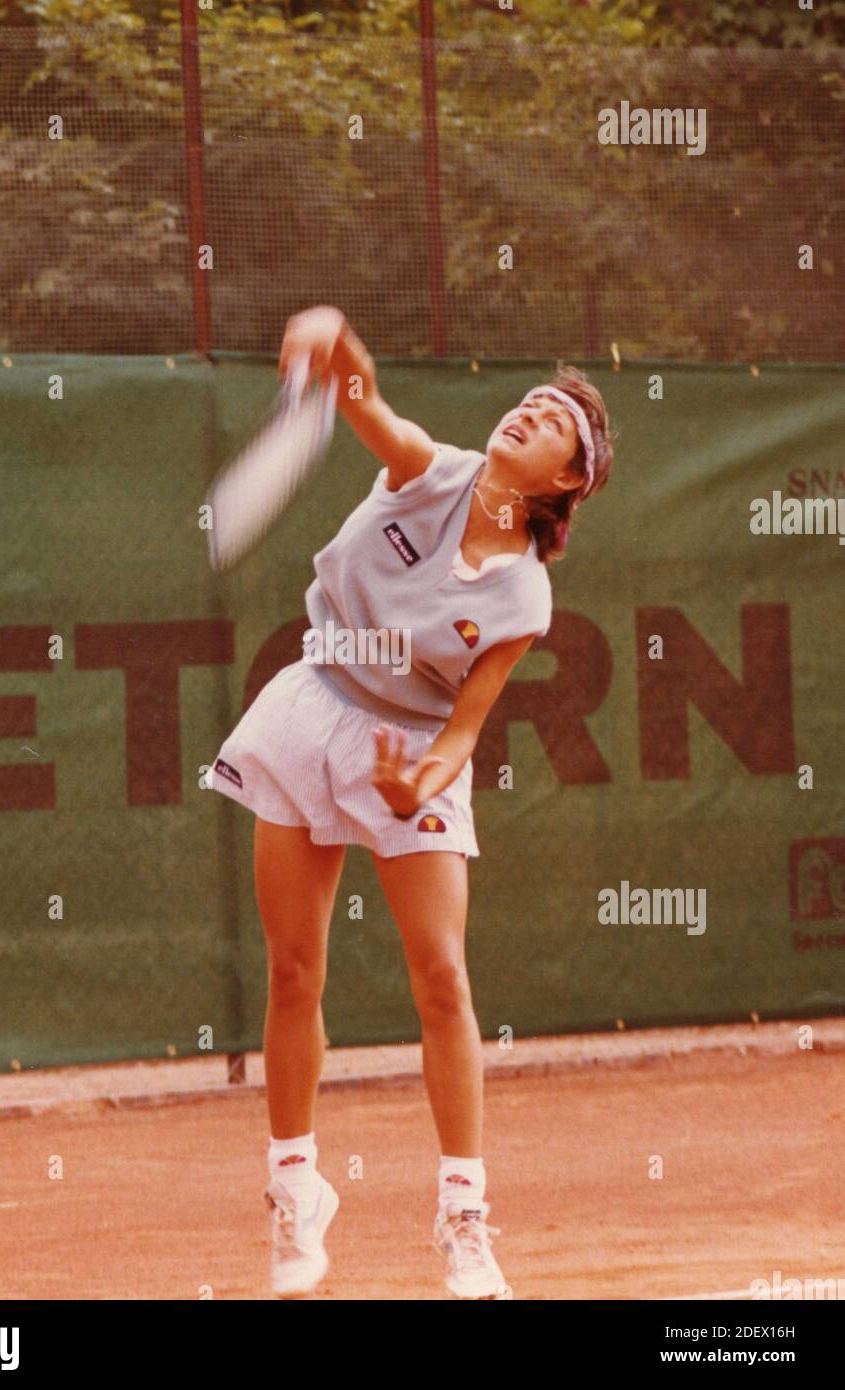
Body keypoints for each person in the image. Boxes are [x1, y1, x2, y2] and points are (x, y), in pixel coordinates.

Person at [207, 305, 615, 1299]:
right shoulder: (428, 469)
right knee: (294, 970)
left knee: (440, 978)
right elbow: (363, 398)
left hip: (411, 746)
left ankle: (463, 1219)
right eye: (525, 400)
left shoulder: (522, 598)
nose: (527, 412)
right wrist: (329, 332)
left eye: (552, 417)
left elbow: (463, 733)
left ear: (567, 479)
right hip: (313, 704)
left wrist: (411, 782)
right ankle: (296, 1191)